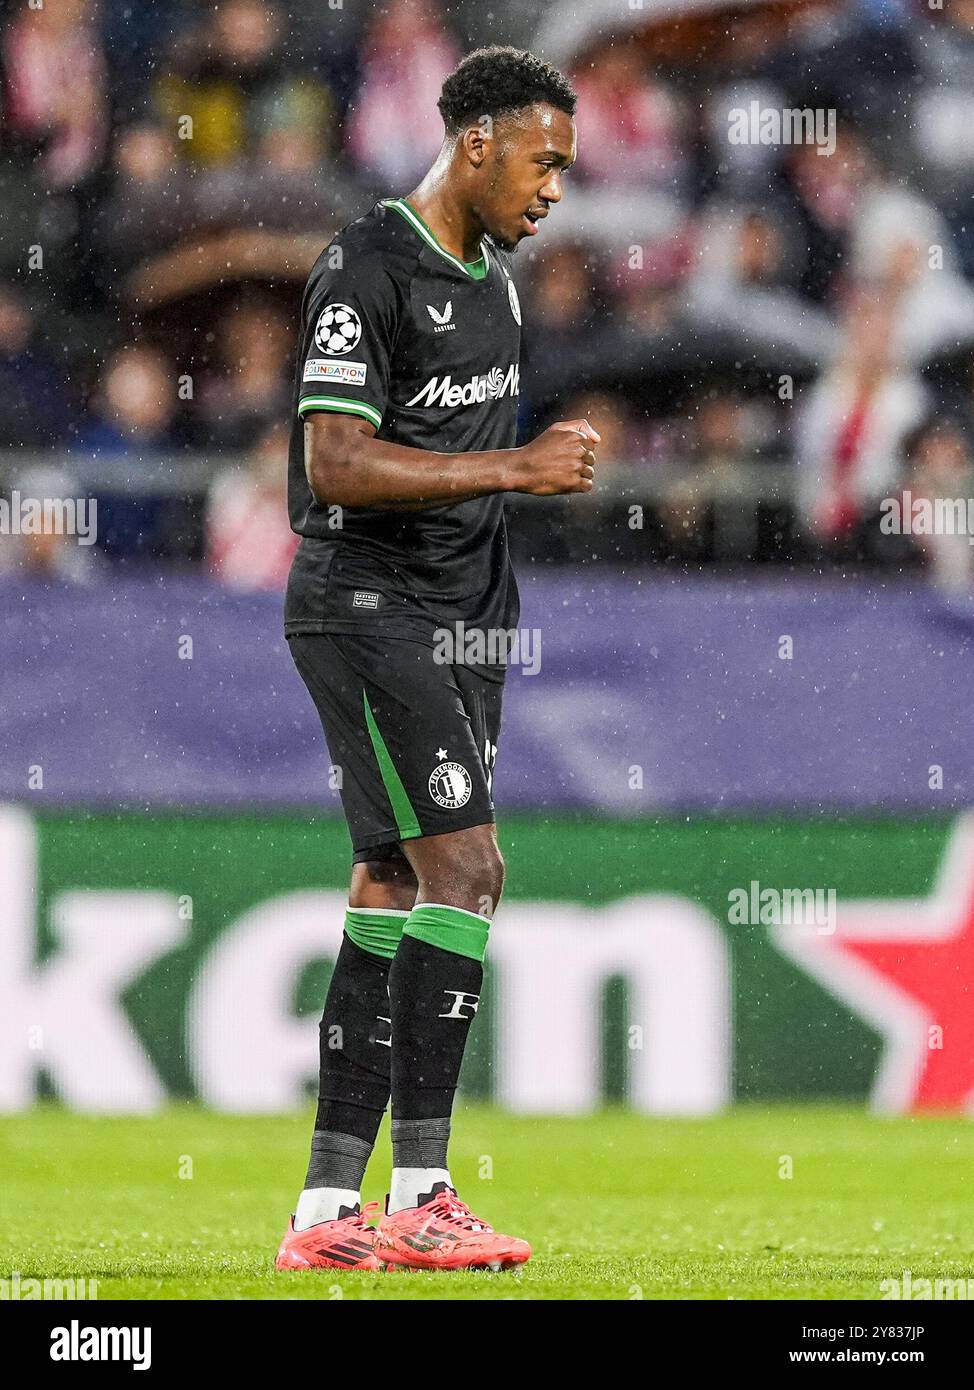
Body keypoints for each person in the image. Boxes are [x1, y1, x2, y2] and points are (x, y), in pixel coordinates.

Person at [276, 46, 599, 1273]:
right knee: (468, 868)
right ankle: (421, 1190)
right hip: (364, 602)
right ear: (477, 144)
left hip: (463, 617)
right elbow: (338, 465)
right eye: (544, 160)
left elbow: (452, 474)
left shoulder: (497, 285)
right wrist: (515, 468)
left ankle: (323, 1217)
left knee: (389, 884)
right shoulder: (366, 265)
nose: (555, 189)